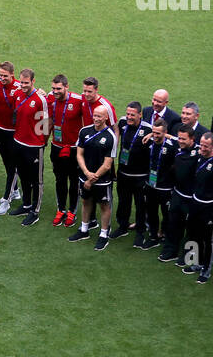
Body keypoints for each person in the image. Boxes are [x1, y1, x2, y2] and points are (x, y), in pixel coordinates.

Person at [69, 105, 116, 250]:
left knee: (104, 205)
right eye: (95, 115)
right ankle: (84, 230)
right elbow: (79, 154)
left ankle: (103, 234)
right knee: (86, 201)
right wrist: (86, 172)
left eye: (99, 116)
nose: (96, 118)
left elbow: (108, 164)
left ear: (106, 117)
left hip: (102, 180)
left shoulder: (111, 136)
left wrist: (91, 178)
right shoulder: (84, 131)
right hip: (85, 176)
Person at [185, 132, 213, 284]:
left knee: (208, 239)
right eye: (201, 145)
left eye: (206, 146)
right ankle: (195, 263)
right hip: (196, 201)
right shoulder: (197, 155)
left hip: (210, 205)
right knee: (193, 234)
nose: (202, 148)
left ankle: (206, 270)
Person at [9, 68, 49, 226]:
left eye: (26, 83)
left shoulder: (40, 99)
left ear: (33, 81)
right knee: (23, 176)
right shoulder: (17, 94)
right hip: (18, 142)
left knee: (36, 180)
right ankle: (26, 205)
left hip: (34, 146)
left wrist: (40, 143)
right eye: (22, 82)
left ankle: (35, 211)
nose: (23, 85)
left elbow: (44, 126)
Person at [47, 75, 84, 227]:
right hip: (56, 146)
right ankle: (61, 209)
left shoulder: (78, 100)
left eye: (58, 89)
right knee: (60, 180)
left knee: (74, 182)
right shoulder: (50, 98)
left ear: (66, 87)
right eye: (53, 88)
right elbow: (47, 119)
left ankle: (72, 212)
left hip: (74, 149)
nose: (55, 91)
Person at [160, 127, 199, 265]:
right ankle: (171, 251)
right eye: (179, 138)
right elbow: (168, 136)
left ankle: (190, 258)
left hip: (192, 198)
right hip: (177, 193)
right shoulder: (178, 144)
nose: (180, 141)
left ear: (192, 139)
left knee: (192, 229)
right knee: (173, 223)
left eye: (184, 139)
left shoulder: (199, 152)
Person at [112, 102, 149, 246]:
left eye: (132, 115)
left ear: (140, 115)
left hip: (140, 176)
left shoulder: (147, 129)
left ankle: (140, 232)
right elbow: (113, 129)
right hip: (123, 173)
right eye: (127, 114)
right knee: (123, 201)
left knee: (141, 205)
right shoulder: (122, 122)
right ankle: (122, 226)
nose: (129, 117)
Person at [140, 118, 178, 252]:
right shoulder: (148, 142)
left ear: (165, 132)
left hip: (166, 187)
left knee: (167, 214)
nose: (155, 136)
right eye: (153, 133)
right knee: (151, 212)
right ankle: (154, 236)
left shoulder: (172, 146)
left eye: (158, 134)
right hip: (150, 185)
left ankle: (166, 237)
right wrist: (150, 135)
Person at [0, 62, 23, 214]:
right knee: (6, 162)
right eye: (1, 75)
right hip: (0, 129)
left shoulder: (19, 87)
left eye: (5, 76)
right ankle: (15, 190)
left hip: (15, 133)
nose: (2, 78)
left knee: (13, 167)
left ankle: (6, 200)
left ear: (12, 75)